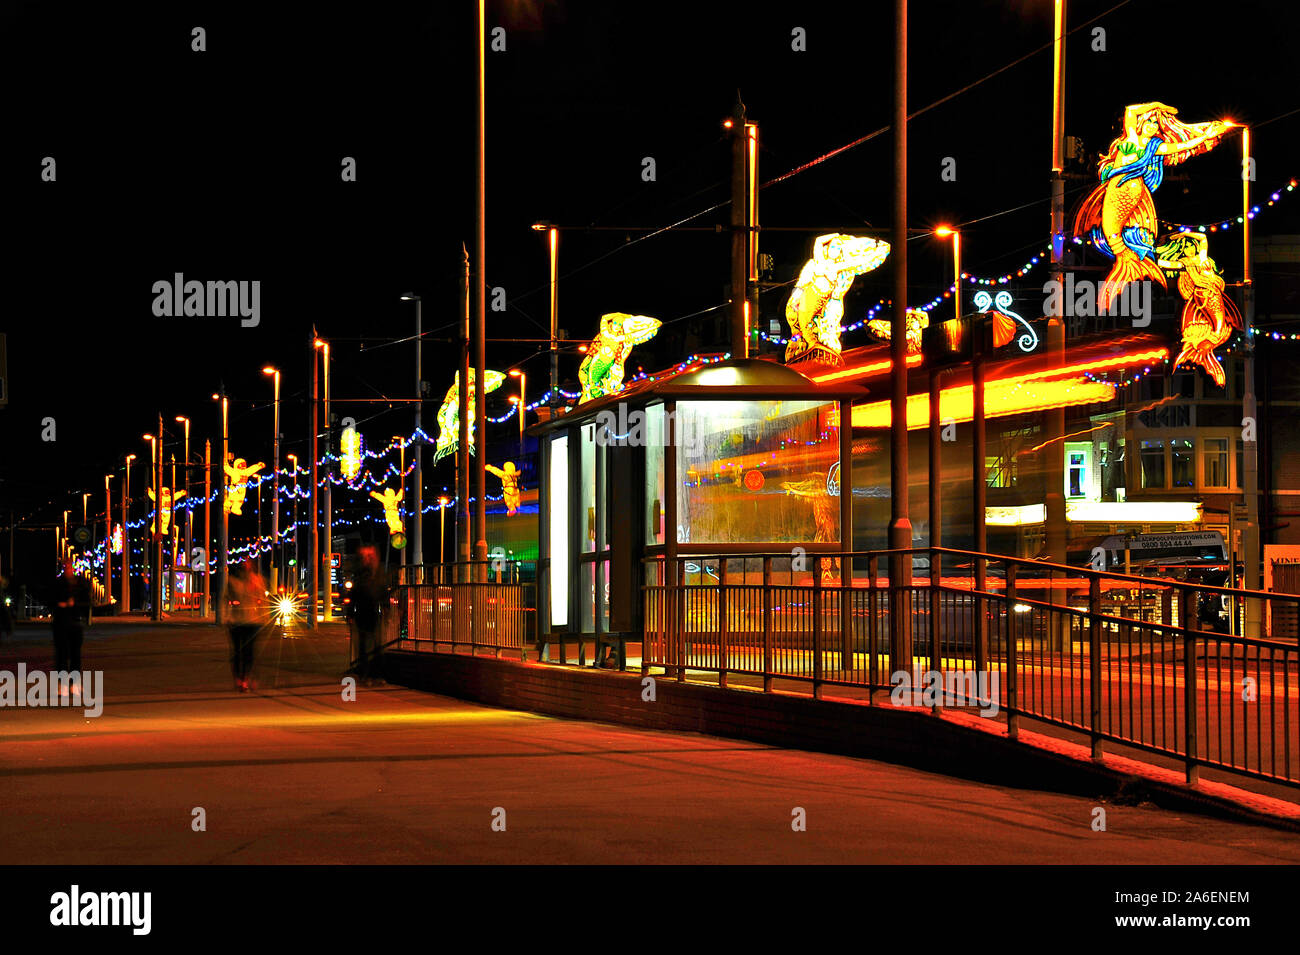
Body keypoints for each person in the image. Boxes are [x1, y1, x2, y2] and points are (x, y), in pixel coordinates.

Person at [345, 546, 388, 685]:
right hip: (364, 613)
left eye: (370, 556)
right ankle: (366, 675)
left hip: (373, 613)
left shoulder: (375, 574)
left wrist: (386, 607)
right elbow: (354, 596)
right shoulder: (362, 574)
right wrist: (350, 613)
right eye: (366, 556)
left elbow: (381, 591)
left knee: (376, 646)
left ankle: (375, 675)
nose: (368, 559)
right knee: (365, 646)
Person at [224, 559, 265, 692]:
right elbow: (227, 598)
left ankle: (245, 679)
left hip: (252, 621)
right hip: (237, 621)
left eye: (248, 564)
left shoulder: (257, 580)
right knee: (237, 652)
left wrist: (264, 616)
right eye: (244, 565)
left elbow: (262, 599)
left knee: (248, 652)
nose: (246, 567)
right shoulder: (233, 581)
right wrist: (226, 617)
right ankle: (239, 679)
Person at [52, 560, 89, 693]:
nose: (68, 569)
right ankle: (63, 685)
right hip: (62, 623)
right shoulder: (59, 584)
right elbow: (52, 600)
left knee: (75, 655)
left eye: (69, 567)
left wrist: (75, 604)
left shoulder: (80, 584)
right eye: (66, 567)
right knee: (62, 654)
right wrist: (61, 604)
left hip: (74, 623)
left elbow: (86, 602)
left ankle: (74, 684)